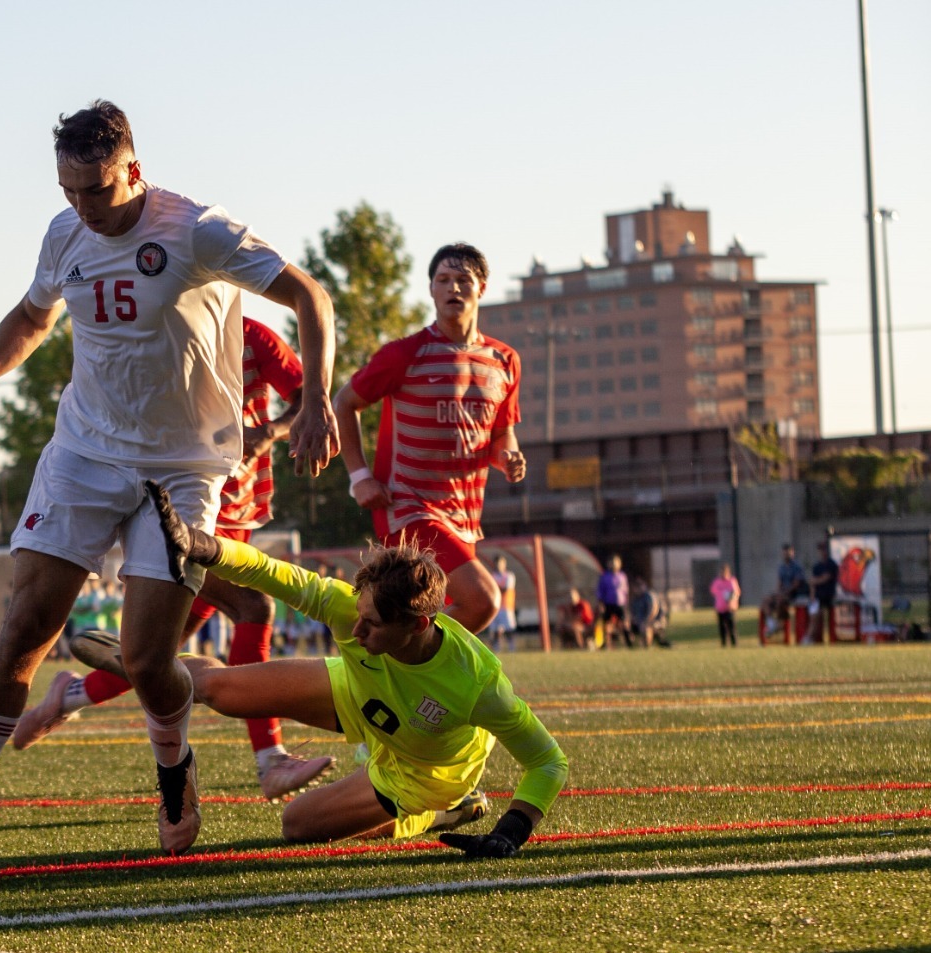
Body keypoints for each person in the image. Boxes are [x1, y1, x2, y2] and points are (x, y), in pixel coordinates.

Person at [0, 100, 338, 854]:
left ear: (134, 169)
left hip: (184, 468)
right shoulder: (65, 234)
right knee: (25, 627)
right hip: (85, 454)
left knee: (147, 658)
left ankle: (174, 765)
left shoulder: (198, 229)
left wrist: (318, 400)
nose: (83, 207)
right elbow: (31, 320)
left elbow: (309, 294)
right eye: (68, 190)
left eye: (96, 189)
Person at [73, 482, 566, 852]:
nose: (357, 629)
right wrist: (203, 545)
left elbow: (548, 762)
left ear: (418, 625)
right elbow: (272, 573)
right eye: (359, 615)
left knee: (298, 824)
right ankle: (148, 664)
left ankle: (445, 811)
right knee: (213, 690)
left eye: (373, 624)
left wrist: (512, 830)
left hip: (423, 772)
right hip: (359, 692)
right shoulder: (354, 612)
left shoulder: (478, 684)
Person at [16, 317, 334, 801]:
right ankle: (271, 760)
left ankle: (72, 694)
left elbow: (307, 395)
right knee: (253, 607)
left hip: (239, 503)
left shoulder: (256, 336)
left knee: (161, 650)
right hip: (183, 504)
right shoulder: (160, 323)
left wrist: (271, 430)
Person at [335, 244, 525, 634]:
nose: (453, 287)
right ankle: (385, 652)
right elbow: (343, 403)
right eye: (444, 280)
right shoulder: (405, 354)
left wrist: (509, 457)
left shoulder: (505, 361)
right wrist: (360, 478)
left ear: (482, 288)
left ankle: (385, 660)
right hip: (408, 508)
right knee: (482, 601)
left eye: (463, 280)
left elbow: (501, 434)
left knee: (433, 616)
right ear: (431, 290)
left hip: (465, 519)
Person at [596, 556, 632, 648]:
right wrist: (601, 603)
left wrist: (626, 602)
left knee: (624, 623)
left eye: (616, 563)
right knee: (607, 624)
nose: (614, 565)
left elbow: (625, 590)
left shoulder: (622, 576)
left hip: (620, 603)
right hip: (608, 603)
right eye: (612, 563)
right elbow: (600, 591)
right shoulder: (605, 577)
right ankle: (606, 644)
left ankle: (629, 643)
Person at [808, 540, 840, 644]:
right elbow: (812, 583)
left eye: (824, 549)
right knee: (813, 615)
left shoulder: (831, 564)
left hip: (828, 596)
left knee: (818, 615)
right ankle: (811, 637)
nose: (822, 552)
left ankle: (809, 637)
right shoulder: (817, 566)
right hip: (817, 597)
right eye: (820, 550)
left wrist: (815, 580)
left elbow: (825, 578)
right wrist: (812, 595)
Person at [485, 554, 517, 652]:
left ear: (504, 564)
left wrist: (493, 588)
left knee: (508, 629)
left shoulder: (509, 576)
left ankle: (512, 648)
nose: (498, 565)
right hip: (495, 607)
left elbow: (505, 589)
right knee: (495, 630)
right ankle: (496, 649)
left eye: (500, 563)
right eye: (497, 563)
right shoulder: (492, 576)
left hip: (506, 607)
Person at [628, 575, 670, 649]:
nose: (637, 589)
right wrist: (634, 620)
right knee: (628, 626)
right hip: (641, 622)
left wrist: (645, 622)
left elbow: (653, 611)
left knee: (646, 627)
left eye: (639, 586)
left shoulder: (649, 596)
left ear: (644, 585)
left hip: (655, 620)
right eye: (635, 587)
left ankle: (647, 644)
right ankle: (634, 645)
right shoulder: (635, 599)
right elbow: (632, 613)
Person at [711, 564, 741, 647]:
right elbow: (713, 591)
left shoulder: (732, 581)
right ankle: (723, 644)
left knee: (731, 626)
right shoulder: (717, 582)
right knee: (722, 627)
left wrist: (731, 600)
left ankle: (734, 643)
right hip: (720, 608)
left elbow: (736, 592)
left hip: (730, 608)